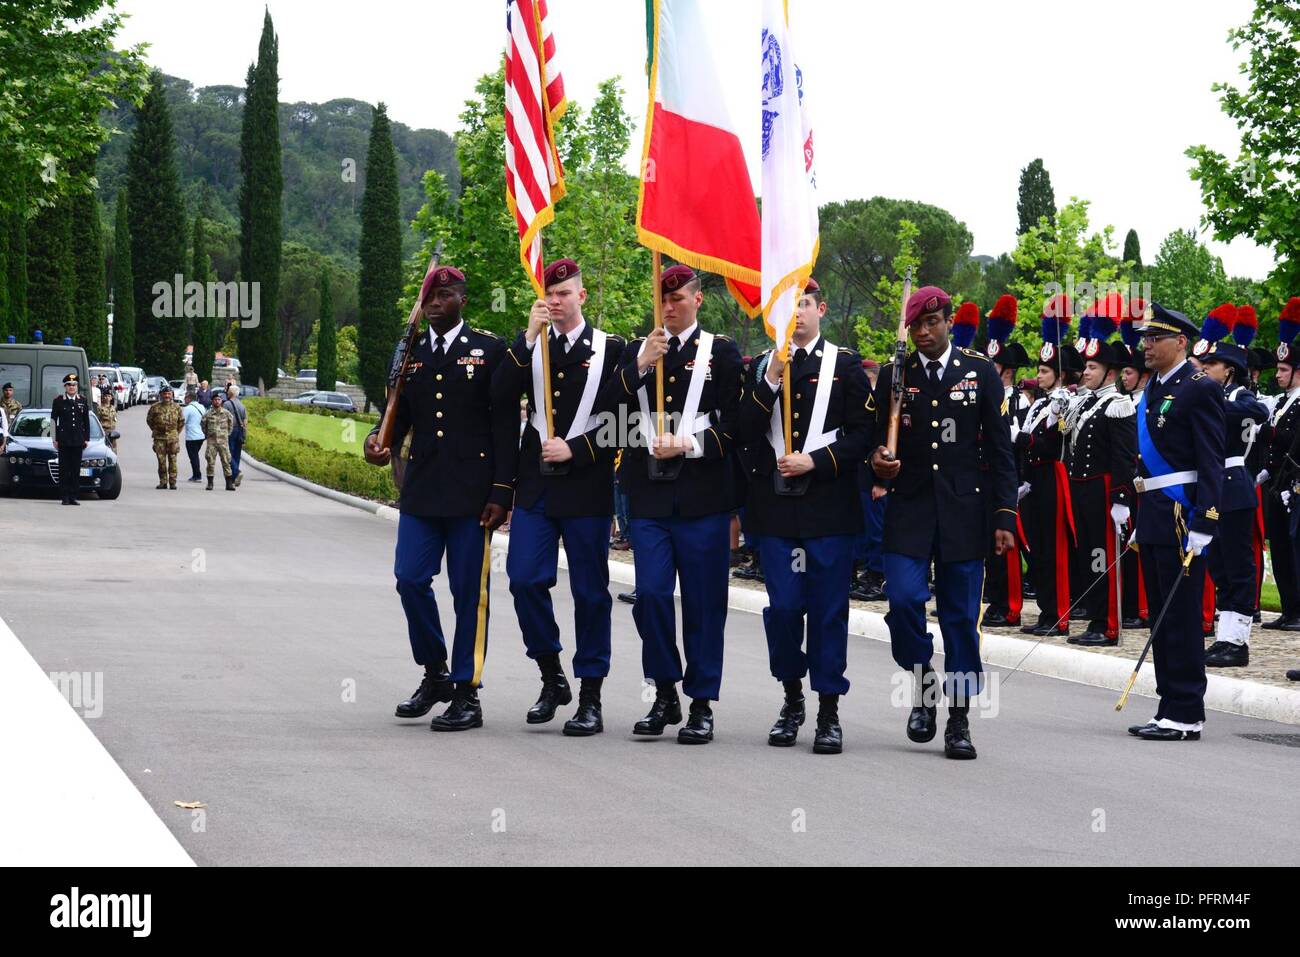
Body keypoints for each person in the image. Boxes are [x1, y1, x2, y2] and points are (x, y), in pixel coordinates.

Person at [363, 266, 515, 731]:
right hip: (423, 489)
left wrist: (502, 492)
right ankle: (436, 674)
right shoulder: (409, 354)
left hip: (474, 496)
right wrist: (376, 440)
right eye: (430, 294)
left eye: (445, 294)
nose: (434, 301)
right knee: (409, 579)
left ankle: (467, 694)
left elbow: (507, 428)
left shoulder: (490, 350)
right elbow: (398, 419)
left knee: (469, 595)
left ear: (462, 301)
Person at [869, 286, 1017, 760]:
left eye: (933, 324)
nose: (925, 333)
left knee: (958, 620)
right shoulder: (896, 374)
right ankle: (921, 677)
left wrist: (1004, 516)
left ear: (949, 323)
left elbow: (1000, 451)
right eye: (916, 326)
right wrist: (880, 464)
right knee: (904, 599)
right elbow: (874, 444)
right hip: (909, 510)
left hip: (964, 513)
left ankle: (958, 718)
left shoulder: (978, 372)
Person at [597, 264, 743, 744]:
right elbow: (606, 411)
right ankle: (664, 690)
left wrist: (689, 444)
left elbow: (736, 427)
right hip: (649, 498)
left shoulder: (720, 353)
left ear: (697, 300)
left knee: (703, 605)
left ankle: (702, 703)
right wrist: (640, 364)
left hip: (703, 498)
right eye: (663, 298)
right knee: (653, 596)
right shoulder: (634, 352)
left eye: (678, 297)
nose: (670, 305)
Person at [737, 277, 874, 753]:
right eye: (789, 306)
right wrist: (771, 378)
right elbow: (743, 433)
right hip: (776, 512)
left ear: (822, 309)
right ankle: (792, 697)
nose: (797, 313)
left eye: (806, 305)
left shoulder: (847, 366)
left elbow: (862, 436)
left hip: (829, 511)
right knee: (784, 610)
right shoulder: (760, 366)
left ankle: (829, 711)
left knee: (829, 612)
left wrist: (816, 460)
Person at [490, 258, 625, 736]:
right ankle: (551, 674)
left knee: (590, 593)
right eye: (550, 293)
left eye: (565, 293)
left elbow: (622, 425)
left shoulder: (612, 349)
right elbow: (499, 397)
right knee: (524, 579)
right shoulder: (533, 348)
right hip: (537, 486)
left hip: (586, 487)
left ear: (582, 297)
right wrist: (526, 337)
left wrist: (577, 448)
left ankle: (591, 695)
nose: (556, 300)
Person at [1127, 303, 1225, 741]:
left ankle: (1187, 711)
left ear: (1180, 342)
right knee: (1160, 615)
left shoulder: (1200, 388)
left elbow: (1211, 460)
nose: (1146, 345)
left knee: (1181, 614)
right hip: (1154, 512)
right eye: (1145, 338)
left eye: (1155, 338)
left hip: (1183, 514)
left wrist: (1205, 518)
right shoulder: (1154, 388)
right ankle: (1169, 705)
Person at [1195, 305, 1270, 667]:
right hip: (1215, 485)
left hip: (1235, 482)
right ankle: (1225, 638)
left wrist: (1218, 406)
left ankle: (1237, 641)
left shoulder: (1238, 396)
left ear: (1229, 371)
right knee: (1220, 567)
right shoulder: (1213, 396)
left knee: (1239, 567)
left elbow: (1260, 412)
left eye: (1212, 365)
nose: (1206, 369)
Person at [1062, 304, 1137, 647]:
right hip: (1081, 488)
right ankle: (1094, 616)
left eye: (1092, 367)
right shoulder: (1086, 403)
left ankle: (1108, 623)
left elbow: (1123, 458)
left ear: (1111, 372)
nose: (1085, 372)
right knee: (1089, 553)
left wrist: (1121, 497)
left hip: (1104, 488)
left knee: (1104, 555)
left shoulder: (1118, 404)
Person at [1015, 296, 1082, 636]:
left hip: (1053, 475)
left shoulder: (1063, 402)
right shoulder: (1039, 404)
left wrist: (1021, 439)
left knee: (1053, 548)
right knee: (1037, 549)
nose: (1038, 376)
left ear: (1058, 374)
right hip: (1034, 478)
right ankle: (1044, 610)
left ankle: (1058, 614)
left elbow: (1053, 442)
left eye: (1044, 371)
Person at [982, 294, 1032, 626]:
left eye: (994, 366)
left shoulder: (1019, 401)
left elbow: (1022, 445)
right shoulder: (985, 394)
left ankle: (1009, 604)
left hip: (1009, 480)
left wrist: (1020, 479)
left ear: (1007, 370)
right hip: (981, 477)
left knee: (1007, 547)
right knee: (986, 546)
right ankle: (993, 599)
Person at [1258, 297, 1300, 631]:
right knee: (1280, 548)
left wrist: (1269, 432)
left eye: (1285, 370)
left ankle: (1297, 610)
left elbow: (1292, 442)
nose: (1280, 375)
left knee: (1292, 547)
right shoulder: (1280, 402)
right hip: (1274, 482)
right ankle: (1288, 608)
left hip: (1292, 484)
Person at [51, 372, 91, 505]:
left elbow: (86, 421)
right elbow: (53, 421)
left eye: (74, 385)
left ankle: (73, 496)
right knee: (64, 469)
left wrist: (86, 438)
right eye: (69, 385)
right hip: (63, 441)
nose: (72, 387)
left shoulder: (82, 400)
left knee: (75, 469)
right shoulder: (58, 401)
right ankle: (64, 496)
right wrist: (54, 438)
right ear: (65, 387)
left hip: (78, 441)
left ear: (77, 386)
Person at [146, 384, 185, 489]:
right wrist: (156, 430)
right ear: (161, 395)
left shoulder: (177, 407)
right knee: (161, 461)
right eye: (165, 394)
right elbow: (149, 420)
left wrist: (175, 433)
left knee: (173, 460)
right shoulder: (155, 407)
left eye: (169, 394)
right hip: (159, 438)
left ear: (172, 395)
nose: (167, 396)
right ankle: (163, 482)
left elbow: (181, 422)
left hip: (173, 438)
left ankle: (173, 482)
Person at [202, 391, 236, 490]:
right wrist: (208, 435)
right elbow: (203, 426)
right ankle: (210, 483)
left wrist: (225, 435)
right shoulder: (208, 414)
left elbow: (231, 425)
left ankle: (229, 483)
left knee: (226, 461)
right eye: (215, 400)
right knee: (210, 462)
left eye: (219, 400)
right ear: (212, 401)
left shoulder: (226, 413)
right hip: (211, 442)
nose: (217, 401)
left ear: (221, 401)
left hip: (223, 442)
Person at [224, 382, 248, 487]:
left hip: (230, 431)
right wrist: (244, 433)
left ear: (231, 393)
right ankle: (234, 478)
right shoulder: (242, 405)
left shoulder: (227, 404)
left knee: (228, 453)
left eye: (228, 391)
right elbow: (245, 420)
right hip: (240, 431)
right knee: (237, 454)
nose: (227, 393)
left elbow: (224, 418)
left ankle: (236, 472)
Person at [182, 389, 205, 481]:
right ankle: (196, 474)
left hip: (191, 436)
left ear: (189, 398)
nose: (184, 399)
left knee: (193, 457)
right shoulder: (202, 407)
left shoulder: (187, 408)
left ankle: (197, 475)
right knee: (195, 455)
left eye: (185, 397)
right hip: (201, 436)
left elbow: (182, 421)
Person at [95, 385, 119, 450]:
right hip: (104, 431)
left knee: (114, 448)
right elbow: (98, 420)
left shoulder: (113, 408)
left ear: (111, 398)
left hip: (112, 431)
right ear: (103, 398)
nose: (107, 398)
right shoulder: (100, 408)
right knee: (105, 449)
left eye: (109, 396)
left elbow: (115, 419)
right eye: (105, 396)